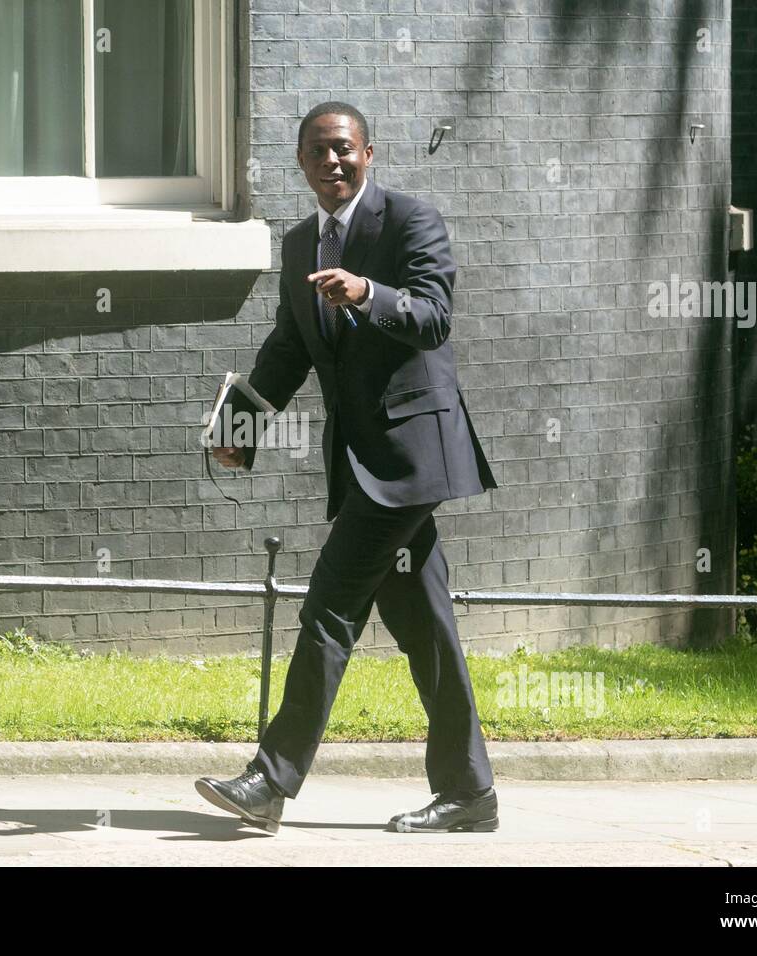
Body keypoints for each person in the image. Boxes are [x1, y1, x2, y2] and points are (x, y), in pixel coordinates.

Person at [195, 102, 500, 834]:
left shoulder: (408, 222)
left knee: (328, 606)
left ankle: (270, 781)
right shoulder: (300, 244)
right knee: (426, 627)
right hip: (362, 467)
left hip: (412, 457)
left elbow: (433, 316)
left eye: (344, 150)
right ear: (300, 163)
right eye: (317, 153)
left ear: (370, 152)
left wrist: (369, 293)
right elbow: (289, 348)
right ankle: (470, 793)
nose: (332, 163)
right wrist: (239, 426)